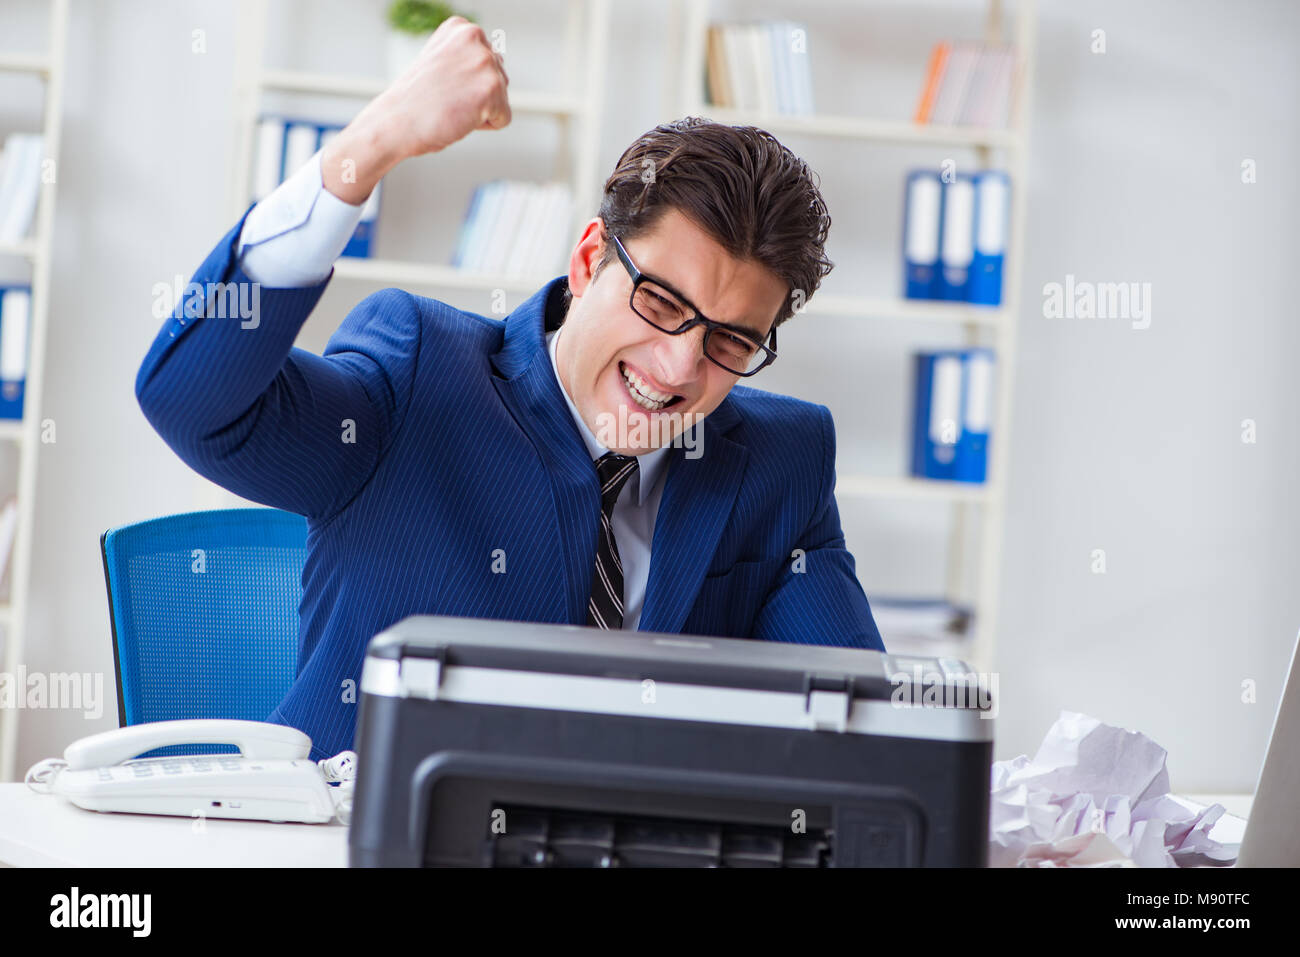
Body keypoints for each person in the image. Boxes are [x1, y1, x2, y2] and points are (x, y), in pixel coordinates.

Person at [136, 17, 883, 760]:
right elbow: (195, 402)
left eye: (730, 339)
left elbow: (871, 736)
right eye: (659, 302)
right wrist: (372, 147)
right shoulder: (419, 373)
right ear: (590, 260)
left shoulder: (783, 461)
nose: (680, 366)